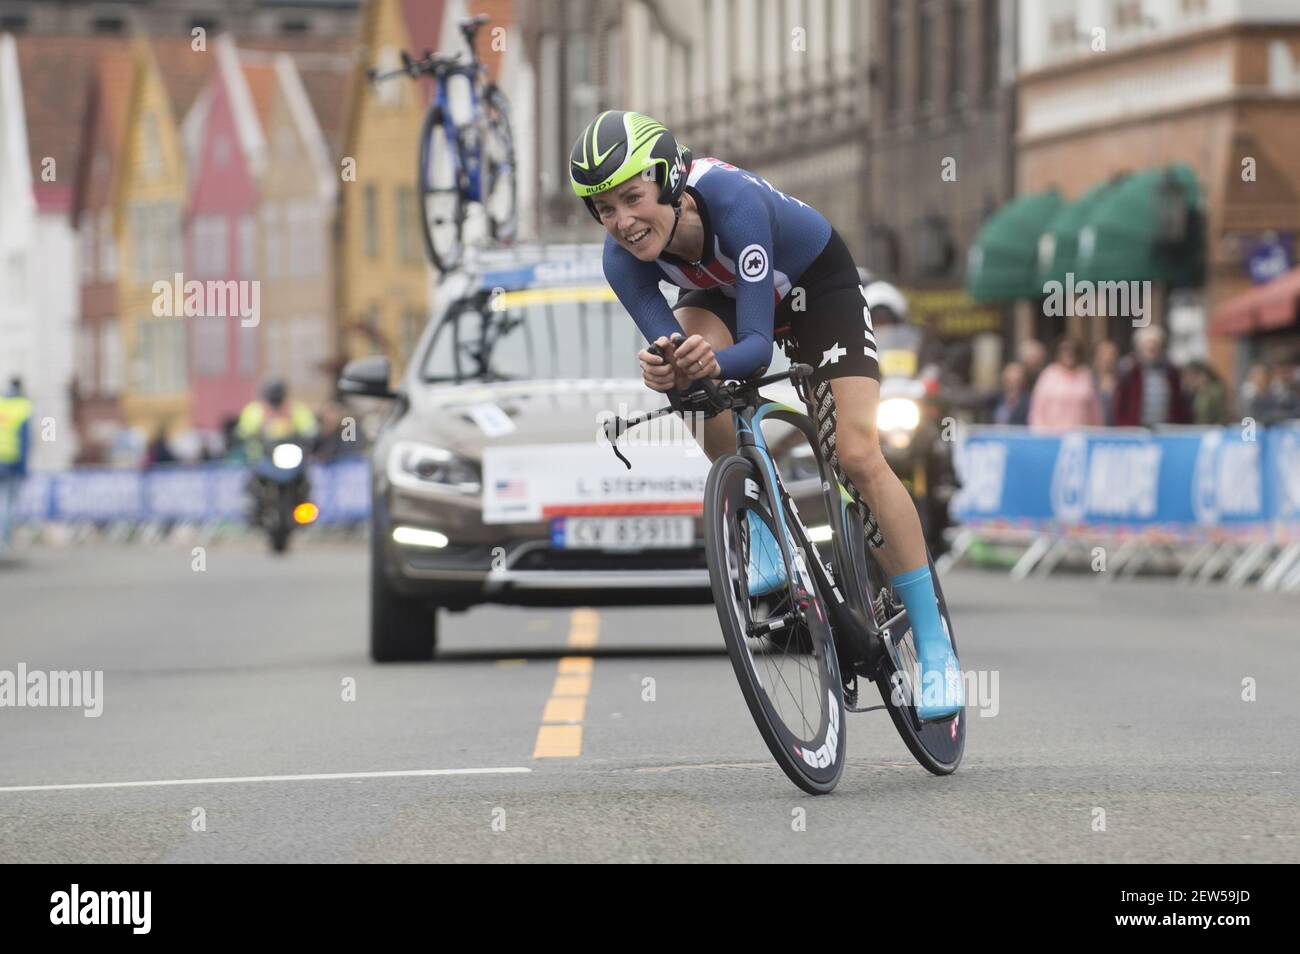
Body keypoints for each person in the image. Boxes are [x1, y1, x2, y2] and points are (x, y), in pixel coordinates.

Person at [571, 110, 961, 720]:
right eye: (604, 210)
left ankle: (934, 646)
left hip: (813, 287)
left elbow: (754, 347)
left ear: (668, 179)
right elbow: (675, 352)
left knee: (855, 455)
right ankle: (759, 527)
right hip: (722, 293)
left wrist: (713, 360)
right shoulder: (622, 261)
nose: (622, 222)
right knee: (687, 378)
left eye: (632, 198)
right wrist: (668, 366)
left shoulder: (733, 202)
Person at [1113, 326, 1188, 427]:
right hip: (1136, 430)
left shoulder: (1171, 372)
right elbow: (1120, 404)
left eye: (1155, 344)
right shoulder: (1129, 371)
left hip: (1166, 429)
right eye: (1147, 344)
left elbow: (1178, 403)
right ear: (1139, 347)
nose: (1151, 348)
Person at [1028, 337, 1104, 431]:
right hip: (1052, 436)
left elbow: (1095, 410)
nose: (1069, 354)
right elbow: (1037, 410)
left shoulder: (1086, 375)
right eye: (1065, 350)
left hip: (1081, 437)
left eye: (1073, 350)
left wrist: (1098, 432)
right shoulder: (1049, 374)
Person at [235, 379, 318, 458]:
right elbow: (243, 431)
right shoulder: (254, 411)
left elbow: (310, 430)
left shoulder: (297, 410)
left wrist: (310, 437)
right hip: (261, 457)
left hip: (291, 454)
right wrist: (247, 436)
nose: (275, 408)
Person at [0, 377, 33, 551]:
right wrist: (24, 469)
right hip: (11, 462)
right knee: (8, 502)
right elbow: (25, 440)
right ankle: (3, 540)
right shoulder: (23, 407)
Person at [1182, 360, 1231, 426]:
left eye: (1192, 376)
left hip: (1215, 430)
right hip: (1200, 430)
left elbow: (1210, 414)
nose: (1189, 379)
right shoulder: (1194, 393)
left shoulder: (1215, 390)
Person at [1092, 339, 1120, 425]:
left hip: (1119, 432)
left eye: (1112, 354)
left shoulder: (1124, 380)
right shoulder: (1087, 379)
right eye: (1103, 353)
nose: (1108, 358)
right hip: (1092, 431)